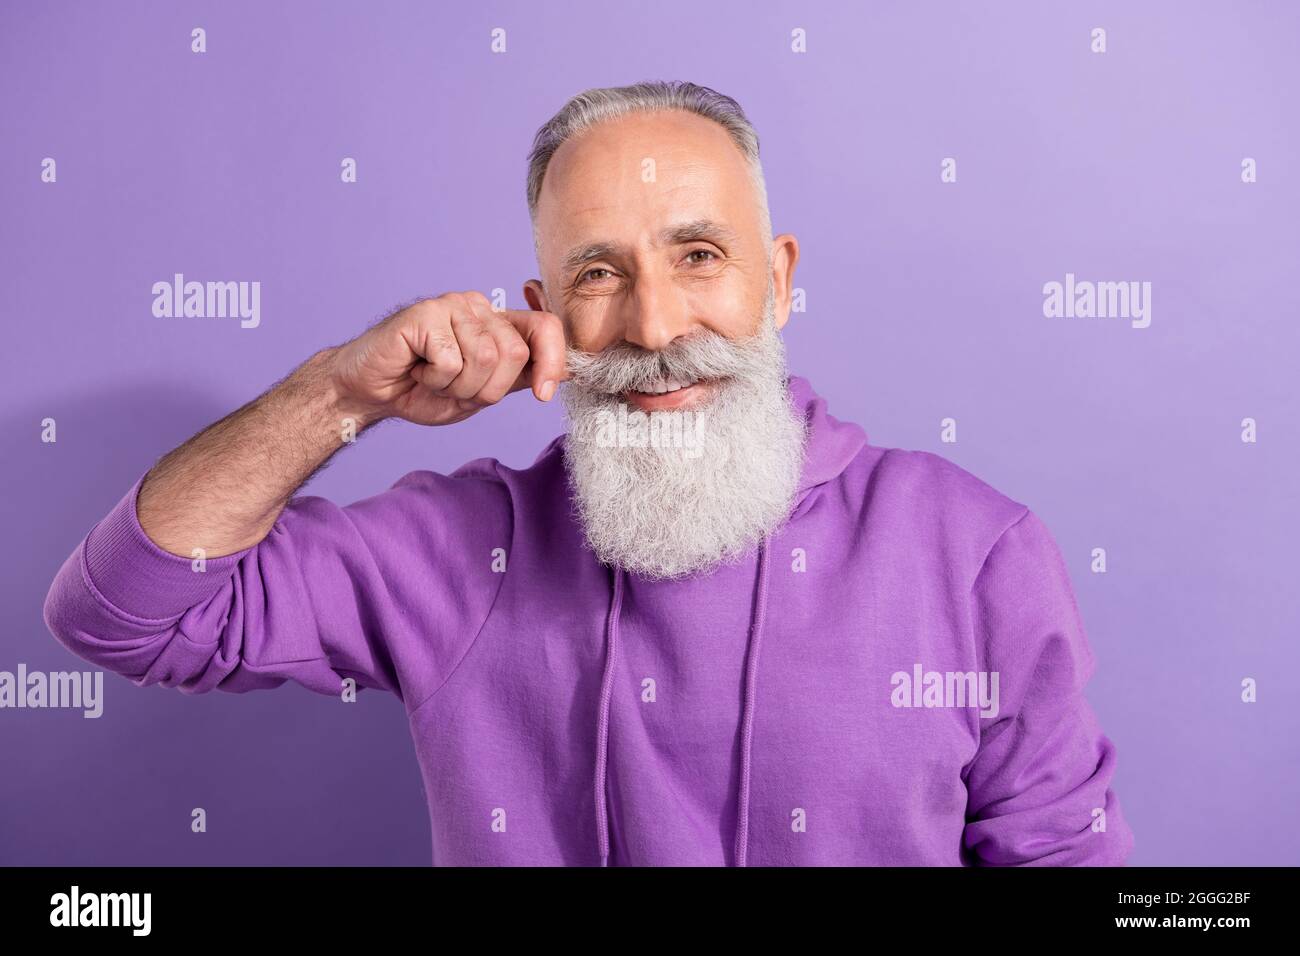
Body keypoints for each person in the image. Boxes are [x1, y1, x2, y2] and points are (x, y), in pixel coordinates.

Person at [44, 80, 1134, 866]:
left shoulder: (975, 551)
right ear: (545, 307)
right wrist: (344, 394)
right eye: (599, 273)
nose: (654, 326)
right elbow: (120, 616)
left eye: (698, 256)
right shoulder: (463, 546)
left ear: (779, 277)